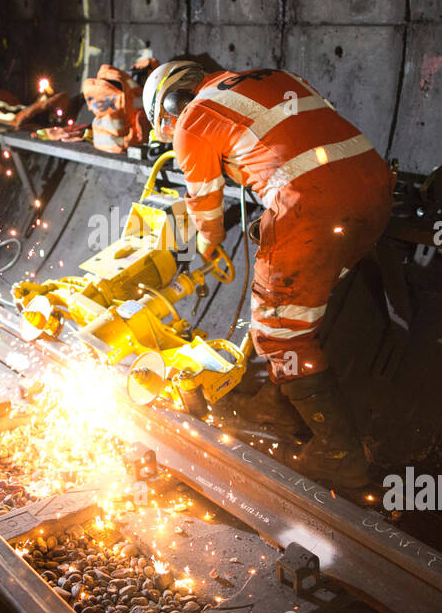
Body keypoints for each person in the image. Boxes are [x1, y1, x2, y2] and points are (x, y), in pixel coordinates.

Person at [142, 61, 395, 486]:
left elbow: (208, 211)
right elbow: (303, 142)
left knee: (278, 330)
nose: (173, 130)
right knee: (307, 309)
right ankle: (276, 408)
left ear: (171, 103)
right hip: (375, 191)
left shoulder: (192, 118)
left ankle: (341, 455)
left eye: (166, 126)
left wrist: (205, 248)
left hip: (311, 206)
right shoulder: (274, 77)